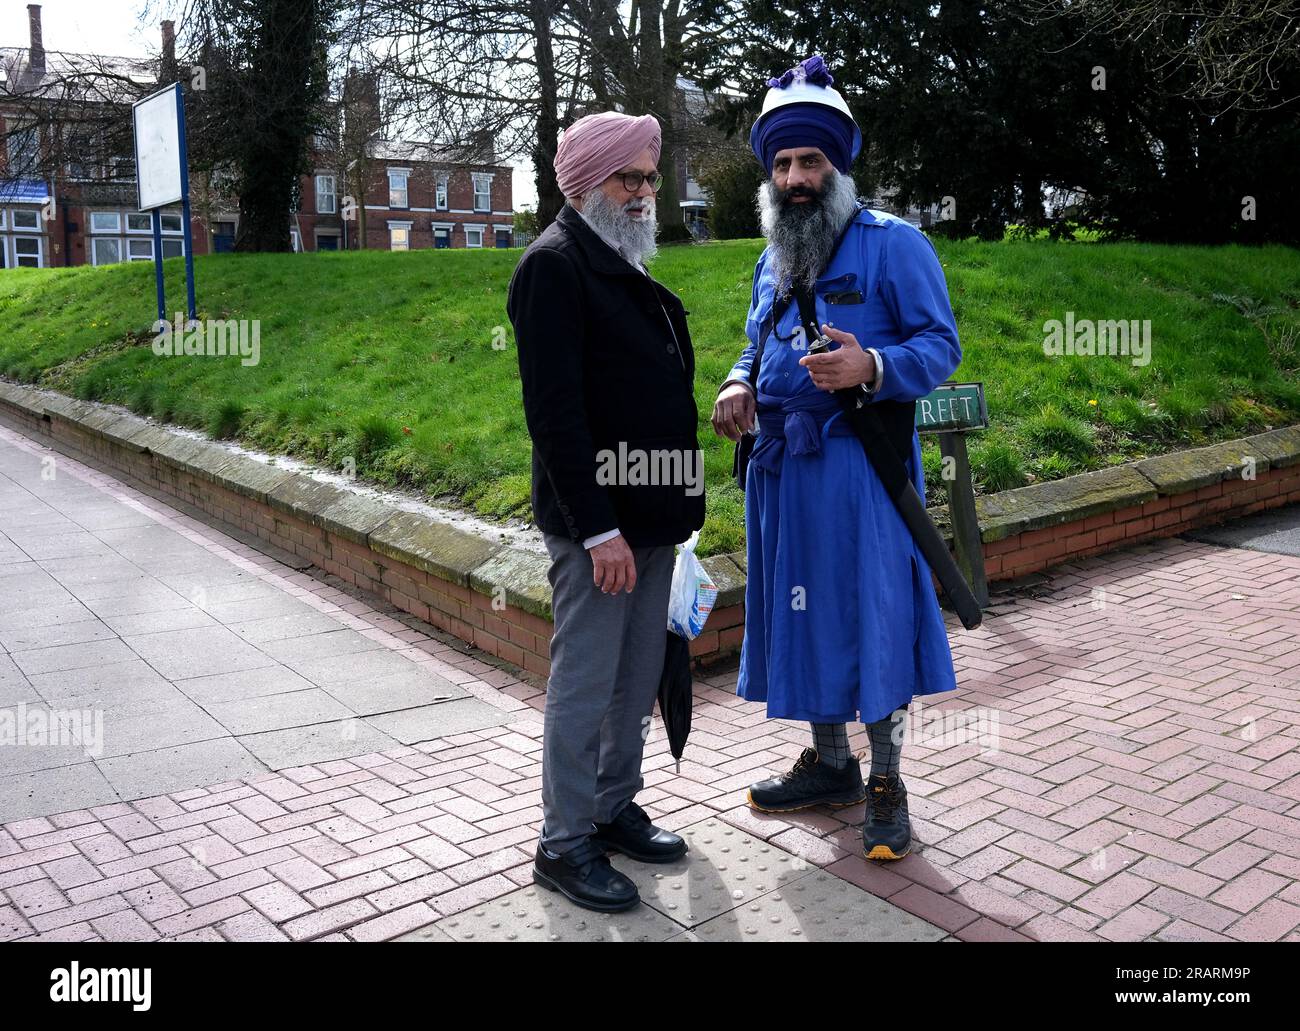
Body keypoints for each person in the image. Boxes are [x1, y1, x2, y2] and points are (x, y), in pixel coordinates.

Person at [711, 55, 963, 861]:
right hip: (784, 470)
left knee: (872, 616)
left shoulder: (896, 246)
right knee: (804, 612)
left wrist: (873, 367)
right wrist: (737, 379)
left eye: (810, 160)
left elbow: (940, 344)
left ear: (838, 166)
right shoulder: (770, 256)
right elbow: (759, 343)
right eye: (782, 162)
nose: (794, 177)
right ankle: (830, 762)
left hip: (861, 468)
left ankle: (886, 779)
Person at [506, 110, 705, 911]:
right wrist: (598, 528)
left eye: (650, 178)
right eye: (629, 178)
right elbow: (555, 415)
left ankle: (613, 805)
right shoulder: (553, 267)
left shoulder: (621, 261)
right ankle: (563, 840)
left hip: (652, 519)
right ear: (586, 182)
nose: (644, 192)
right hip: (602, 529)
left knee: (636, 674)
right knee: (586, 681)